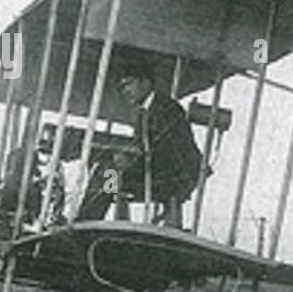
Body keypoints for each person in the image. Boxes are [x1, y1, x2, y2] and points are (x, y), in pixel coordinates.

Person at [77, 61, 208, 225]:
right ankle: (91, 217)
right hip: (161, 171)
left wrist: (130, 164)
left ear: (145, 83)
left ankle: (85, 220)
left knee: (108, 174)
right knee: (107, 169)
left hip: (177, 177)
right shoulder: (145, 111)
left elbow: (168, 153)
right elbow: (144, 147)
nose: (125, 91)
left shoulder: (166, 109)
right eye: (123, 87)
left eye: (129, 84)